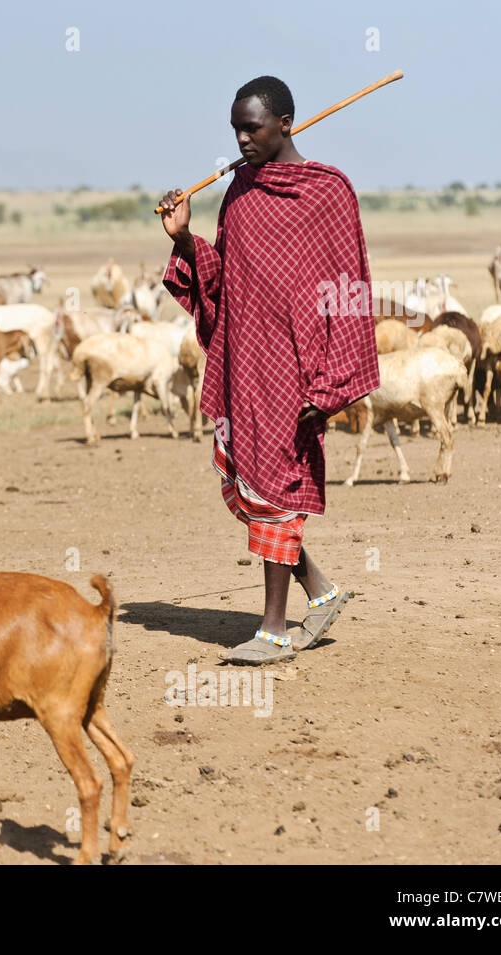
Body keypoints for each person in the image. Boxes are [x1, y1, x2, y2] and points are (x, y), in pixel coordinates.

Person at [159, 75, 379, 665]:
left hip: (300, 369)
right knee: (253, 492)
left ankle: (274, 630)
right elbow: (224, 278)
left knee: (276, 491)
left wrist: (333, 382)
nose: (240, 138)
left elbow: (350, 287)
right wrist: (184, 242)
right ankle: (323, 592)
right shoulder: (238, 191)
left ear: (286, 122)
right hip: (246, 361)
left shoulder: (328, 192)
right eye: (235, 128)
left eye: (251, 127)